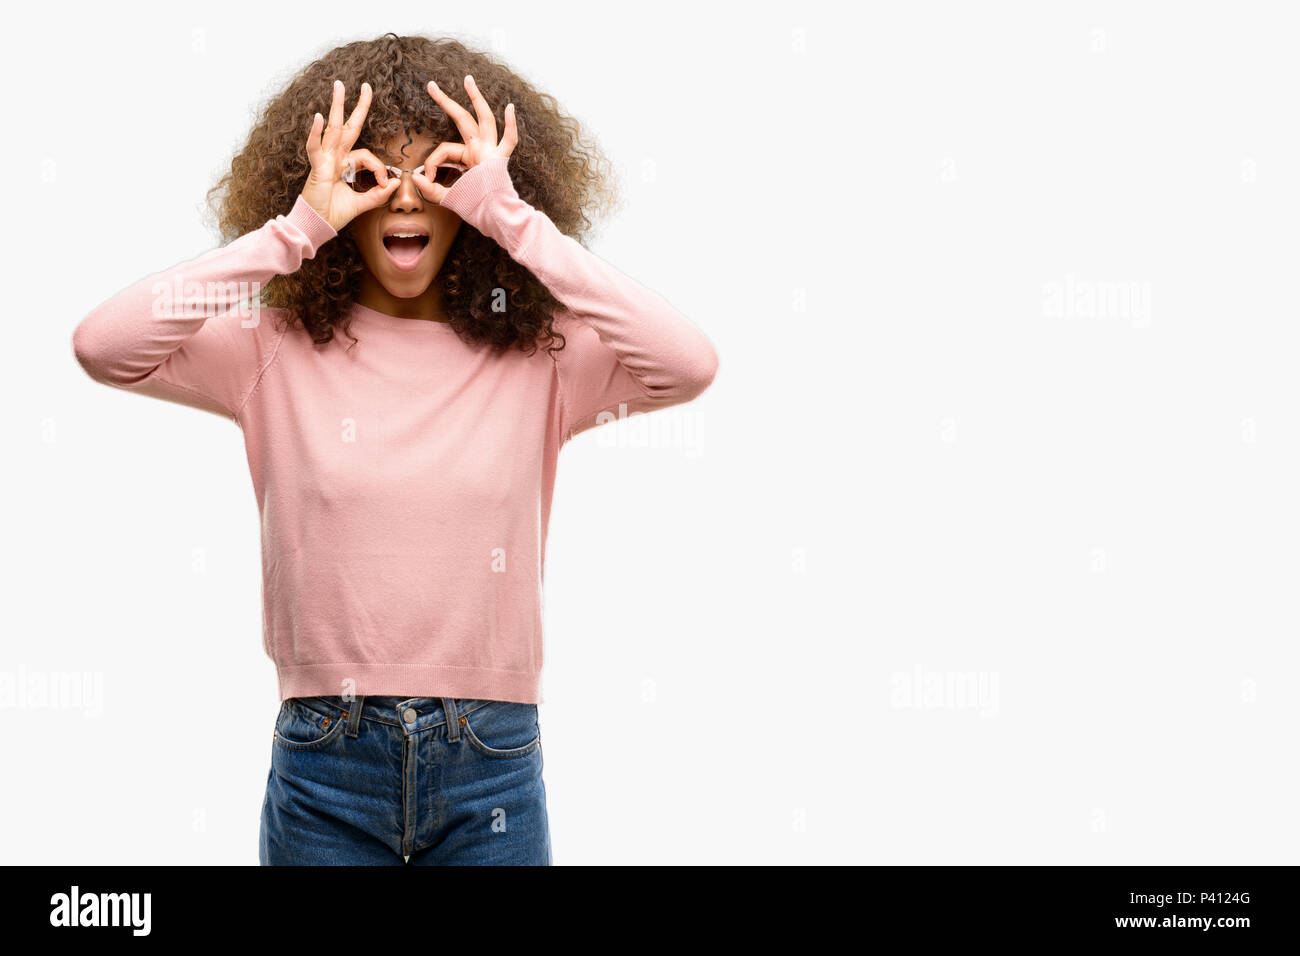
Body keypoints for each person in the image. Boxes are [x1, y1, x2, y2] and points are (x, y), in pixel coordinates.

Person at [70, 34, 719, 866]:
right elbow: (103, 346)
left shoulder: (541, 358)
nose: (407, 199)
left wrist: (515, 221)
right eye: (374, 173)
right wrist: (293, 231)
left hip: (491, 761)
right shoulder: (271, 347)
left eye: (441, 176)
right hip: (323, 758)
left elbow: (687, 363)